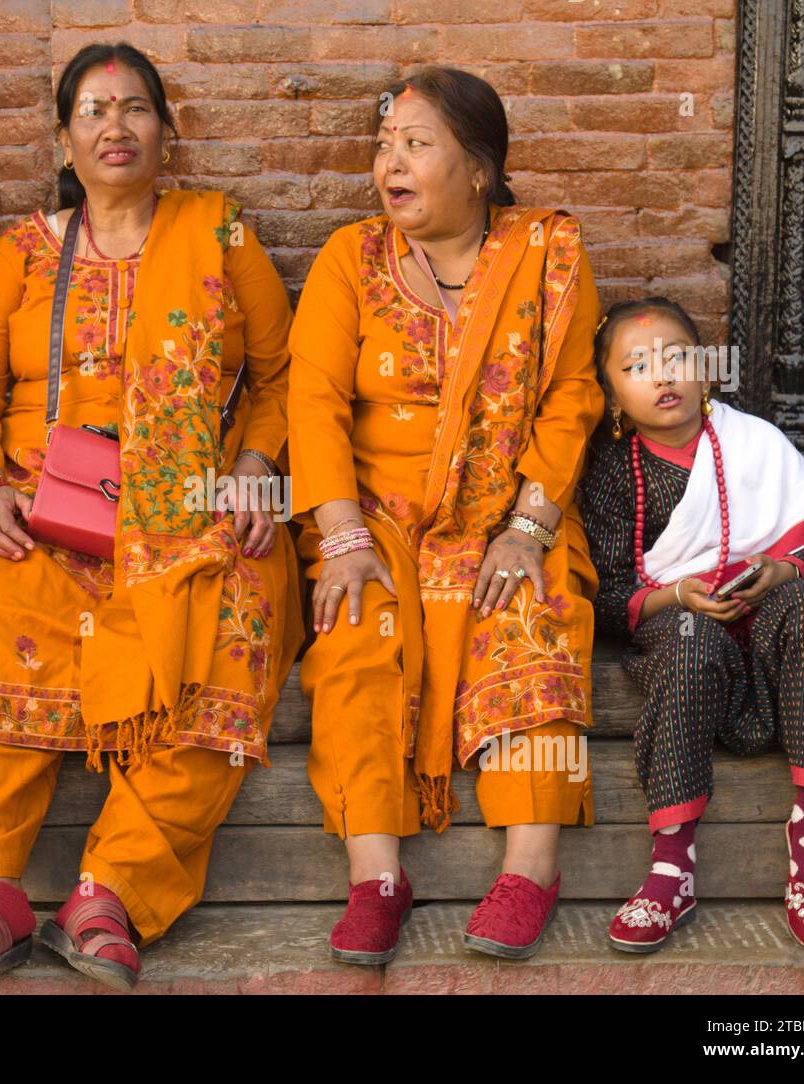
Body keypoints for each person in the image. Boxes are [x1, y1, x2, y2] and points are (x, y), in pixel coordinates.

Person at [0, 42, 302, 990]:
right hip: (33, 507)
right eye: (92, 110)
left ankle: (112, 891)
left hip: (192, 507)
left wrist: (253, 471)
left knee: (239, 613)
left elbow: (283, 376)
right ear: (64, 139)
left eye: (134, 108)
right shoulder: (24, 251)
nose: (114, 126)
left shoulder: (219, 232)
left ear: (168, 132)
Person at [288, 66, 604, 964]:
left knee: (534, 613)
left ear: (479, 168)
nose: (390, 163)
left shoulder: (548, 253)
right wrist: (343, 536)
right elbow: (313, 401)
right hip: (376, 522)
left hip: (511, 513)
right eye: (384, 145)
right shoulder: (351, 257)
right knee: (354, 629)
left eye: (415, 145)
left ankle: (531, 869)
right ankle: (377, 877)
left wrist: (528, 528)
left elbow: (572, 398)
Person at [578, 296, 804, 951]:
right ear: (612, 395)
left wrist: (778, 570)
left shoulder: (754, 443)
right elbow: (605, 594)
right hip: (683, 639)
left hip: (775, 639)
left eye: (677, 357)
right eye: (636, 365)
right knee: (691, 640)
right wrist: (677, 596)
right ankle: (672, 866)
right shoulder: (613, 474)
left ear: (707, 370)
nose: (663, 375)